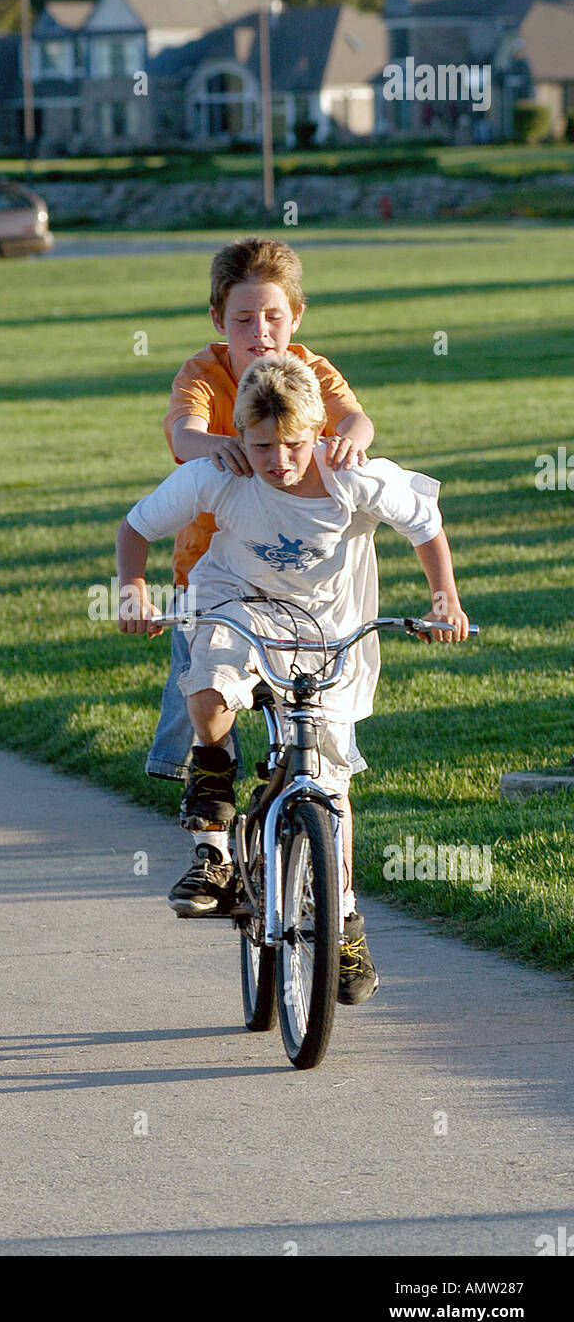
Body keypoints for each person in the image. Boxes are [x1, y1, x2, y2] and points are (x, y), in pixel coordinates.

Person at [116, 351, 470, 1004]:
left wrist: (444, 599)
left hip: (325, 625)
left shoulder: (349, 476)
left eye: (292, 444)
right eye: (260, 445)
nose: (277, 461)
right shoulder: (221, 474)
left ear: (318, 433)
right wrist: (132, 590)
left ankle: (344, 919)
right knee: (211, 671)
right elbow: (136, 527)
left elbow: (424, 522)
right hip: (239, 599)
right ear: (240, 436)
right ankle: (213, 791)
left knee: (331, 782)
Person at [146, 236, 375, 786]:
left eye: (273, 316)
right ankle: (211, 815)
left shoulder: (310, 370)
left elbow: (355, 420)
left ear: (295, 316)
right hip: (214, 569)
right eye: (243, 319)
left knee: (304, 724)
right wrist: (214, 447)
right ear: (218, 319)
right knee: (206, 701)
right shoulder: (203, 371)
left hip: (298, 580)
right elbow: (184, 431)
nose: (260, 332)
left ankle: (296, 805)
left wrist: (351, 441)